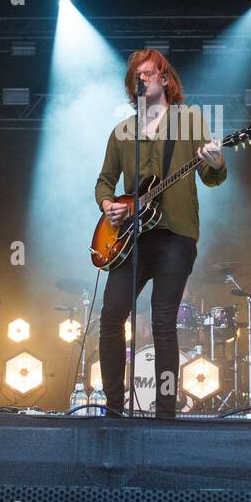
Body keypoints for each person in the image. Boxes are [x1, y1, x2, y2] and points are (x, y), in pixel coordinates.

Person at [94, 49, 226, 417]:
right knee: (110, 316)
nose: (144, 79)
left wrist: (215, 161)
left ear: (165, 80)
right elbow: (105, 182)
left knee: (162, 319)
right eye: (138, 75)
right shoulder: (122, 133)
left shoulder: (189, 120)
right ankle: (114, 408)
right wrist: (110, 206)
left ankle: (165, 413)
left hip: (175, 235)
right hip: (130, 238)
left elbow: (212, 175)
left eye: (150, 73)